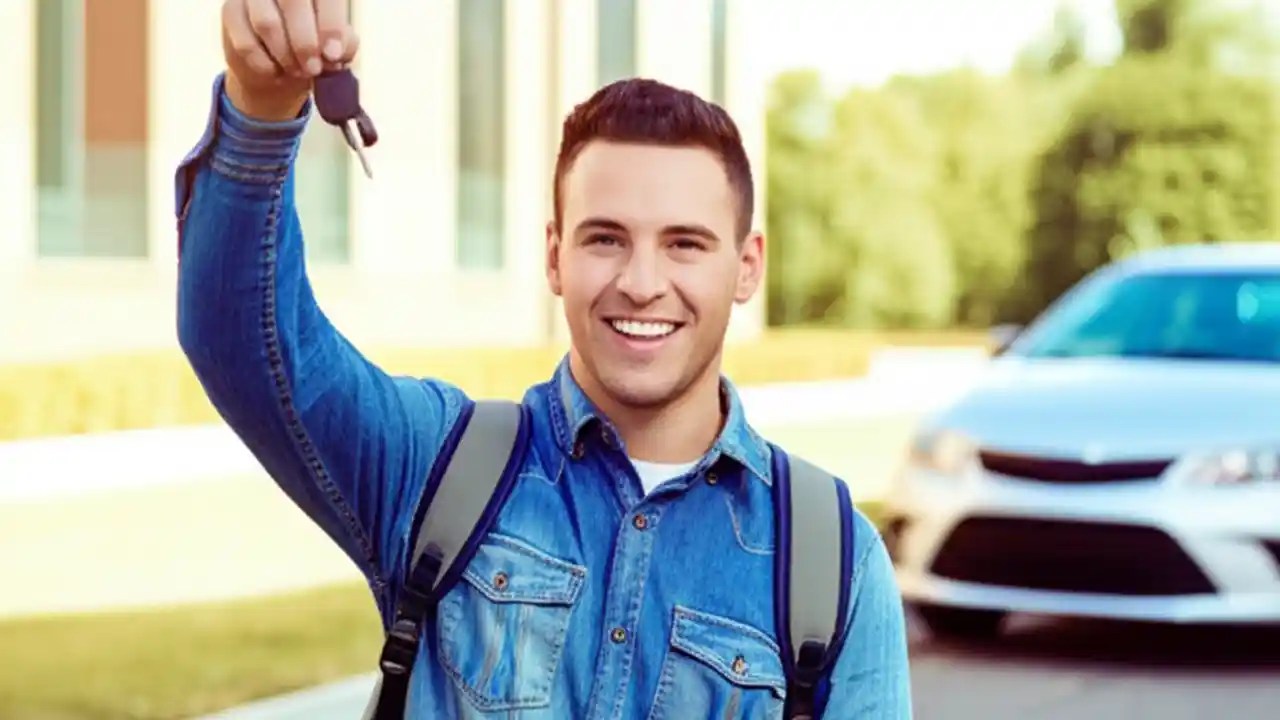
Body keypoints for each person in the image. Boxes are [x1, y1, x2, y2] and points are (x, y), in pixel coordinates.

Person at [177, 1, 912, 717]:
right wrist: (262, 104)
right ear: (556, 255)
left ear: (747, 267)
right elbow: (242, 340)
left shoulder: (835, 563)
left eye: (684, 243)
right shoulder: (436, 467)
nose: (642, 282)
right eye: (605, 239)